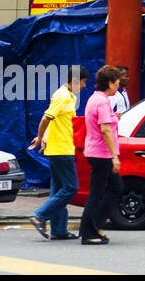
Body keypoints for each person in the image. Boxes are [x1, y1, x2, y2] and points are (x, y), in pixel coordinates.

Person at [28, 64, 89, 241]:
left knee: (58, 190)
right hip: (62, 149)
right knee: (71, 188)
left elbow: (54, 120)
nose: (85, 86)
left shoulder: (66, 95)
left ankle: (59, 230)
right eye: (83, 82)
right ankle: (39, 215)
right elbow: (46, 117)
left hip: (58, 147)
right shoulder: (63, 96)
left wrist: (45, 137)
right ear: (75, 81)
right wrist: (40, 137)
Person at [79, 66, 124, 246]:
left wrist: (114, 117)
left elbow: (105, 122)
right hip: (101, 153)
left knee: (116, 187)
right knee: (97, 193)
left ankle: (95, 225)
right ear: (109, 84)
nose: (118, 86)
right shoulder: (102, 102)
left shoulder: (96, 99)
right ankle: (88, 232)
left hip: (97, 151)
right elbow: (105, 129)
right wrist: (114, 156)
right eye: (117, 83)